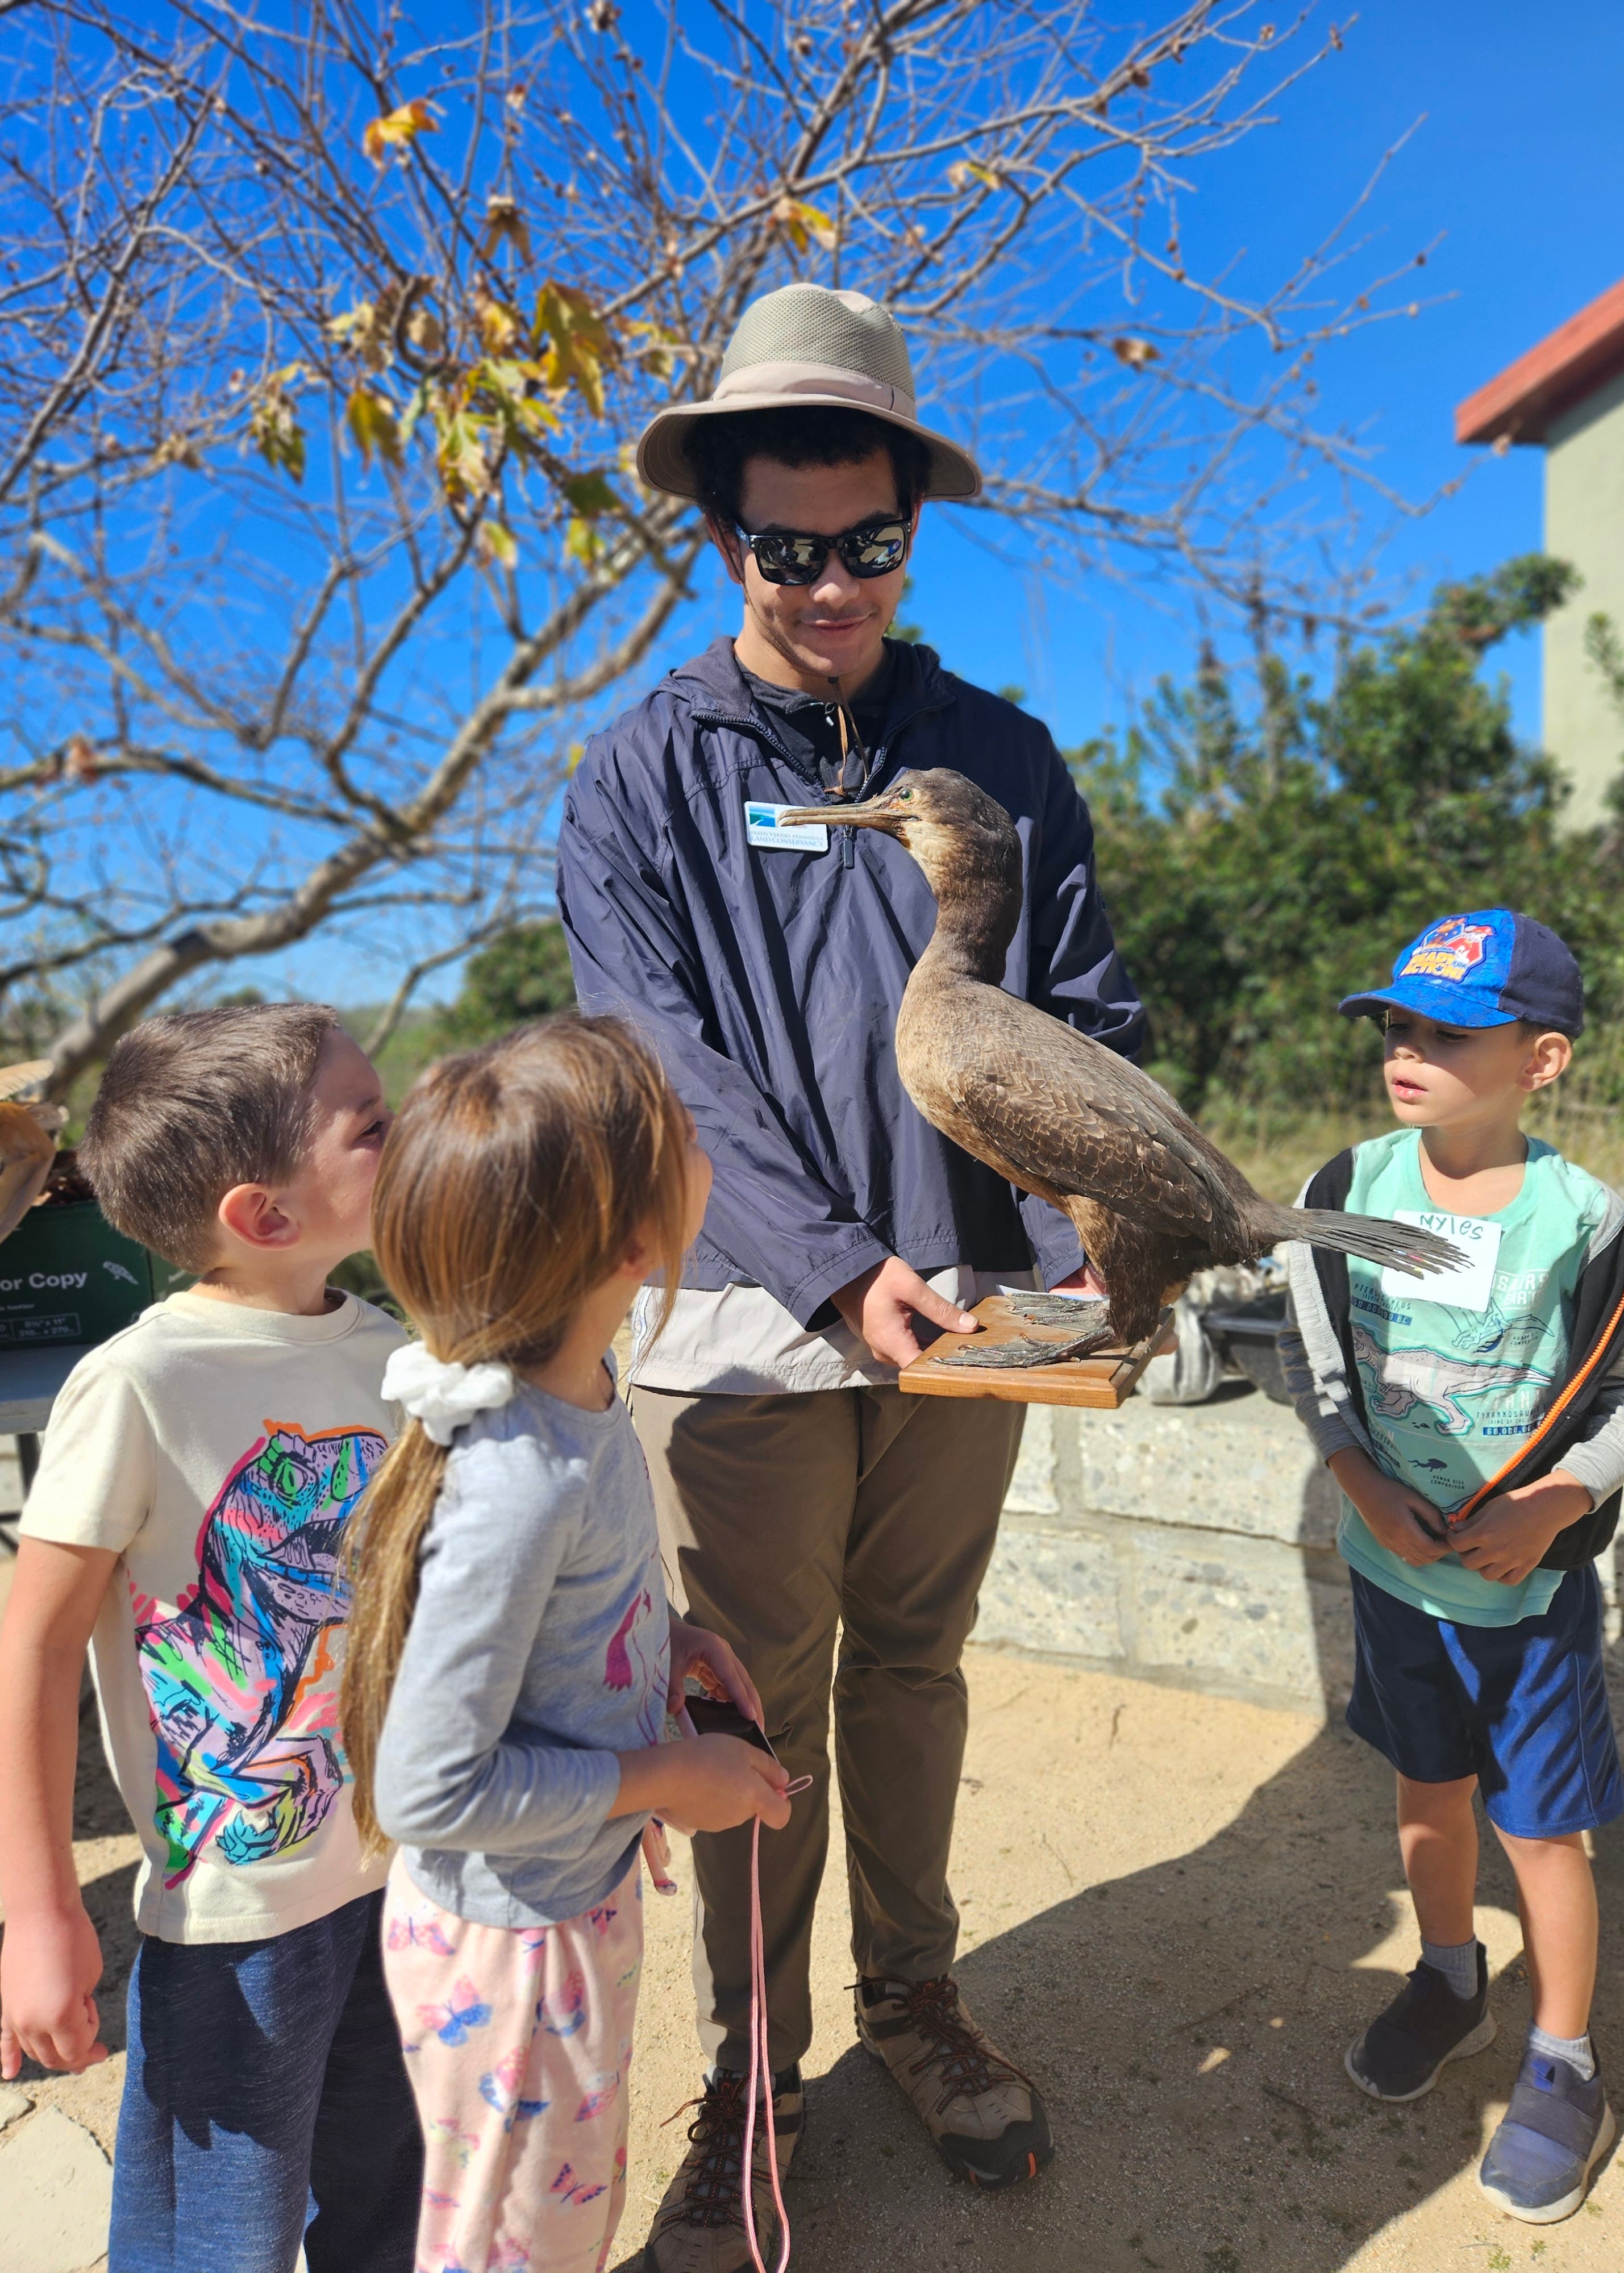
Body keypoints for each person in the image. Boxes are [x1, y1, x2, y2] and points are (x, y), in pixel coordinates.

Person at [557, 281, 1147, 2266]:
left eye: (868, 546)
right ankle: (757, 2067)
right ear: (721, 536)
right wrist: (827, 1268)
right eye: (786, 552)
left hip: (973, 1318)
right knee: (753, 1709)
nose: (830, 588)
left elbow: (1083, 1017)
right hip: (743, 1325)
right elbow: (656, 1058)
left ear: (913, 529)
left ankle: (914, 1999)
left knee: (914, 1670)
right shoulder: (638, 776)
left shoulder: (1002, 759)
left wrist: (1088, 1240)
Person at [341, 1015, 791, 2273]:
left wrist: (666, 1641)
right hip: (515, 1953)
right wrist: (666, 1775)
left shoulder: (578, 1395)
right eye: (684, 1130)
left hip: (562, 1905)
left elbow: (553, 1619)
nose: (705, 1137)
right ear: (633, 1245)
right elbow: (426, 1789)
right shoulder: (518, 1477)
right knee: (515, 2247)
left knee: (561, 2223)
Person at [0, 1005, 423, 2272]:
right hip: (238, 1923)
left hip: (404, 1882)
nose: (411, 1137)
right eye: (373, 1126)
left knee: (387, 2201)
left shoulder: (393, 1353)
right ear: (264, 1213)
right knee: (216, 2240)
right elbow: (34, 1646)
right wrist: (37, 1911)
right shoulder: (139, 1384)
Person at [1280, 910, 1624, 2226]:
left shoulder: (1597, 1224)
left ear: (1541, 1060)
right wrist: (1359, 1479)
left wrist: (1560, 1498)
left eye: (1449, 1034)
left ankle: (1565, 2059)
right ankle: (1451, 1977)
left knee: (1542, 1831)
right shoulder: (1343, 1188)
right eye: (1397, 1025)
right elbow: (1309, 1353)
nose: (1407, 1051)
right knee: (1425, 1796)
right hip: (1393, 1582)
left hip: (1528, 1599)